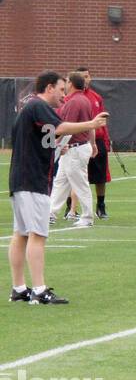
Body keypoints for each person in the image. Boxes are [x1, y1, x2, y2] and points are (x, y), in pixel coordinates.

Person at [9, 71, 109, 305]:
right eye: (61, 90)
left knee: (21, 234)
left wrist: (54, 148)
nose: (64, 95)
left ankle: (19, 288)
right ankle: (39, 290)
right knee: (37, 234)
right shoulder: (39, 105)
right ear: (49, 87)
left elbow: (39, 139)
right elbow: (62, 127)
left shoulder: (30, 108)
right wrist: (92, 124)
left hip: (22, 179)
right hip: (32, 180)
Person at [48, 71, 97, 229]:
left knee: (79, 183)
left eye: (67, 82)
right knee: (60, 182)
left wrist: (56, 143)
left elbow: (67, 127)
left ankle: (87, 216)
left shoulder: (74, 102)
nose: (65, 86)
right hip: (75, 148)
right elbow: (90, 125)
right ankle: (50, 213)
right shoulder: (84, 100)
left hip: (75, 148)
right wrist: (93, 143)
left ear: (71, 84)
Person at [81, 68, 111, 219]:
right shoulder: (71, 98)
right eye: (82, 77)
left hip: (97, 140)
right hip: (78, 140)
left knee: (100, 175)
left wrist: (106, 140)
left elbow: (102, 121)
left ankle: (101, 205)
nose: (85, 79)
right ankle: (70, 207)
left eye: (87, 76)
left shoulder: (96, 97)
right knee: (75, 175)